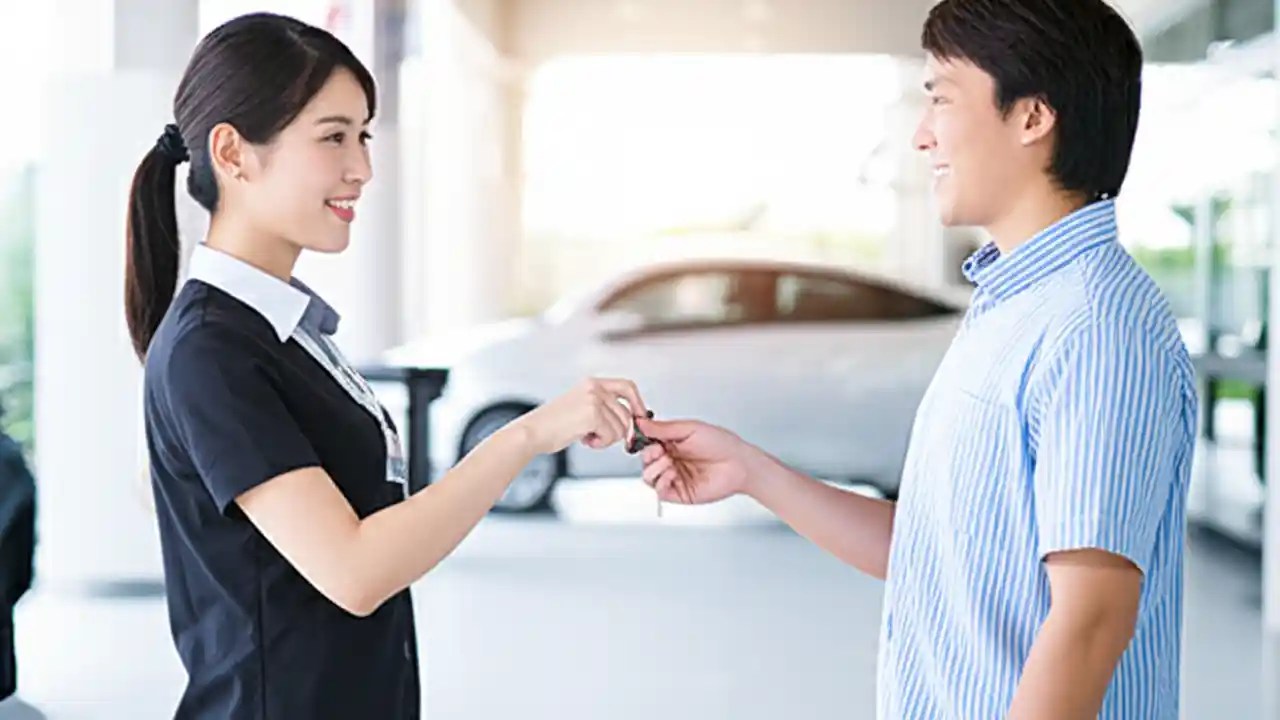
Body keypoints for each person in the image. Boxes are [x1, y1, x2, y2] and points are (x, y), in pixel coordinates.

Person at [639, 1, 1196, 718]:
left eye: (940, 98)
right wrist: (751, 471)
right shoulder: (1012, 305)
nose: (921, 135)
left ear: (1032, 116)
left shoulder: (1097, 327)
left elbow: (1091, 621)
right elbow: (935, 552)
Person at [124, 13, 647, 720]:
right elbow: (354, 569)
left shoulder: (285, 331)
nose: (362, 168)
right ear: (234, 153)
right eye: (333, 136)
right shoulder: (212, 350)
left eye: (363, 134)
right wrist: (523, 437)